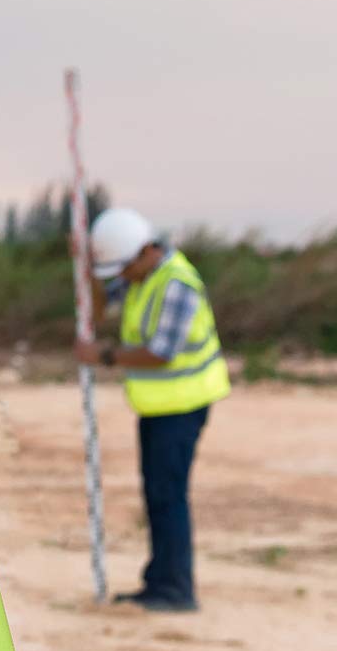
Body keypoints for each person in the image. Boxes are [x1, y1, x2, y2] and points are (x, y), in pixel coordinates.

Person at [74, 207, 229, 612]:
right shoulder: (141, 277)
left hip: (182, 406)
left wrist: (102, 355)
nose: (120, 278)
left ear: (145, 252)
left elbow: (162, 352)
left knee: (168, 495)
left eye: (122, 269)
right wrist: (86, 269)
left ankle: (175, 589)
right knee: (159, 494)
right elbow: (98, 306)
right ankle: (160, 582)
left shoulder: (176, 284)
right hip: (158, 407)